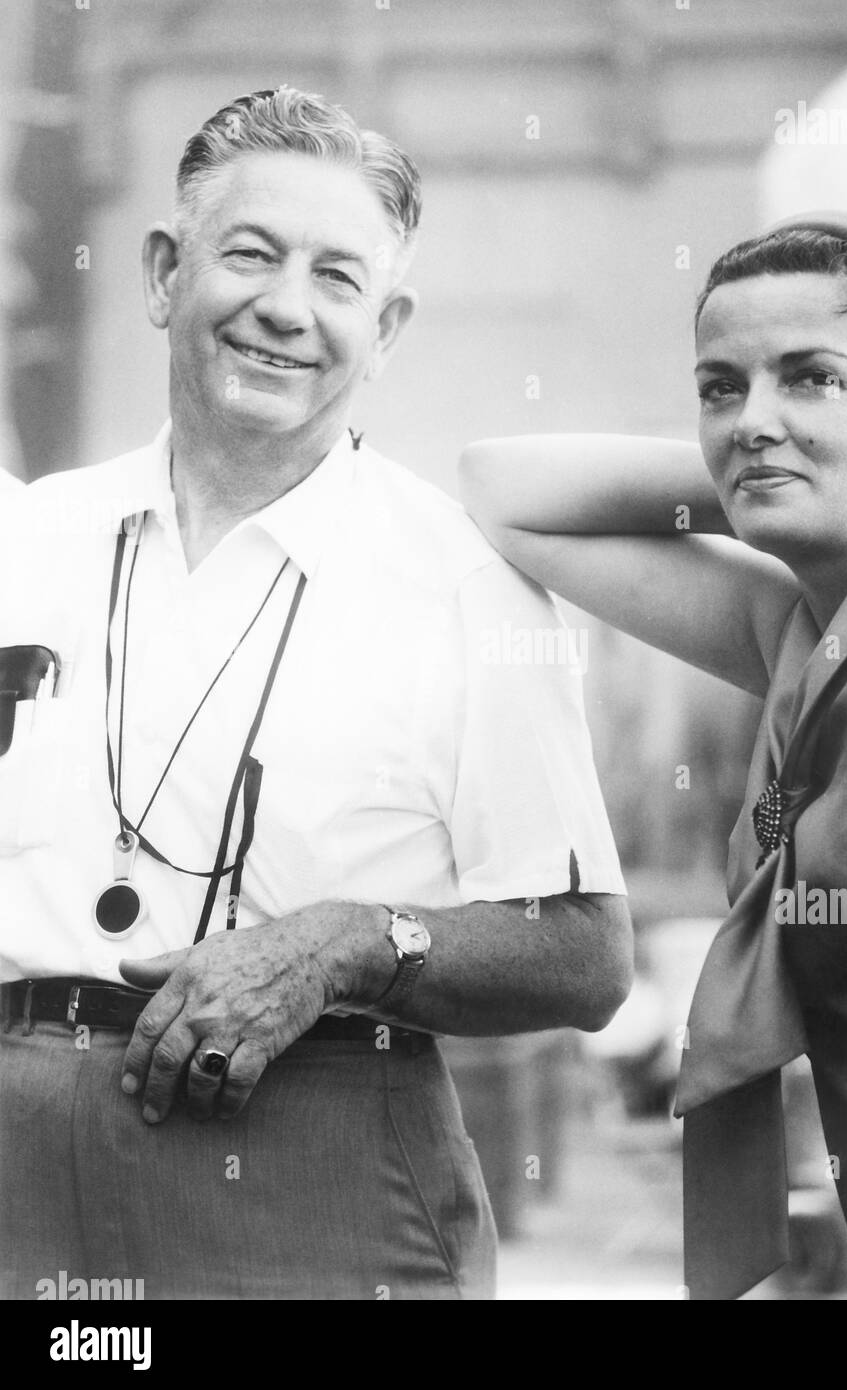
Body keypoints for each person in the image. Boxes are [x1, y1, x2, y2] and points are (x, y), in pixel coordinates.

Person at [0, 88, 631, 1302]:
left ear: (384, 329)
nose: (286, 308)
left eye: (337, 279)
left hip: (315, 1170)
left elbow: (587, 955)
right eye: (250, 254)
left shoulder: (467, 583)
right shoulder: (31, 537)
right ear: (162, 275)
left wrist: (348, 942)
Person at [459, 211, 847, 1301]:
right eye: (721, 387)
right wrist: (774, 463)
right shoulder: (796, 636)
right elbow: (508, 493)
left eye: (812, 377)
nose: (753, 417)